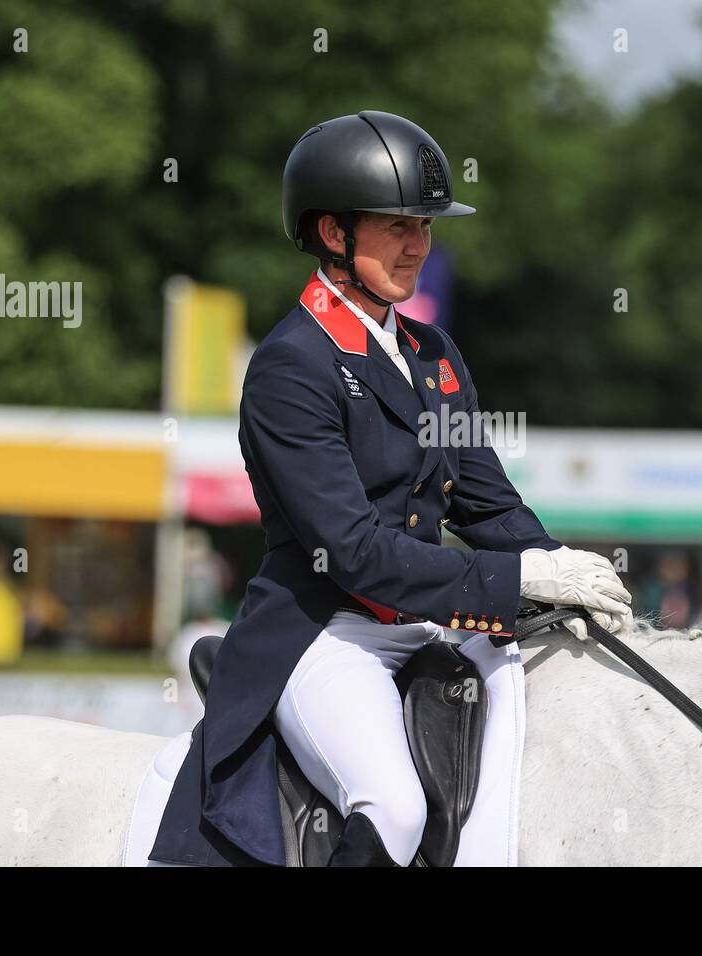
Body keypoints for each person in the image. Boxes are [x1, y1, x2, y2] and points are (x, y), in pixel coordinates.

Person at [150, 111, 633, 867]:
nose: (418, 245)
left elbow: (487, 504)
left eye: (426, 226)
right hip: (325, 628)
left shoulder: (433, 353)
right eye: (397, 225)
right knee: (396, 807)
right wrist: (517, 579)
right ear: (333, 233)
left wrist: (561, 570)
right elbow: (353, 551)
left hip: (431, 619)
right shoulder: (291, 367)